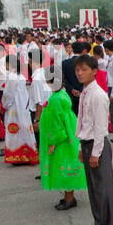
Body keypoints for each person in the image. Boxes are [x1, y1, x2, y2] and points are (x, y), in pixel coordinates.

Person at [73, 55, 113, 225]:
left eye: (84, 69)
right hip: (87, 142)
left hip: (97, 144)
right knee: (93, 187)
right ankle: (98, 223)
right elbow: (84, 121)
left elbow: (100, 127)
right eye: (78, 70)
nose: (80, 73)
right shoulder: (85, 91)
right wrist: (82, 148)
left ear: (94, 71)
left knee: (103, 188)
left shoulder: (98, 94)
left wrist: (96, 153)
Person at [39, 70, 85, 211]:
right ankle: (68, 196)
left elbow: (57, 123)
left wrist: (53, 141)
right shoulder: (61, 94)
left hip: (63, 139)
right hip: (69, 134)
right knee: (67, 165)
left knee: (64, 167)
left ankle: (69, 198)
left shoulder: (56, 99)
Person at [0, 58, 38, 165]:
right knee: (24, 127)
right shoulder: (20, 76)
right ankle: (27, 153)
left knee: (14, 130)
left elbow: (8, 95)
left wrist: (3, 105)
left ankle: (17, 154)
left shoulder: (11, 77)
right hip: (23, 106)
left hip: (14, 108)